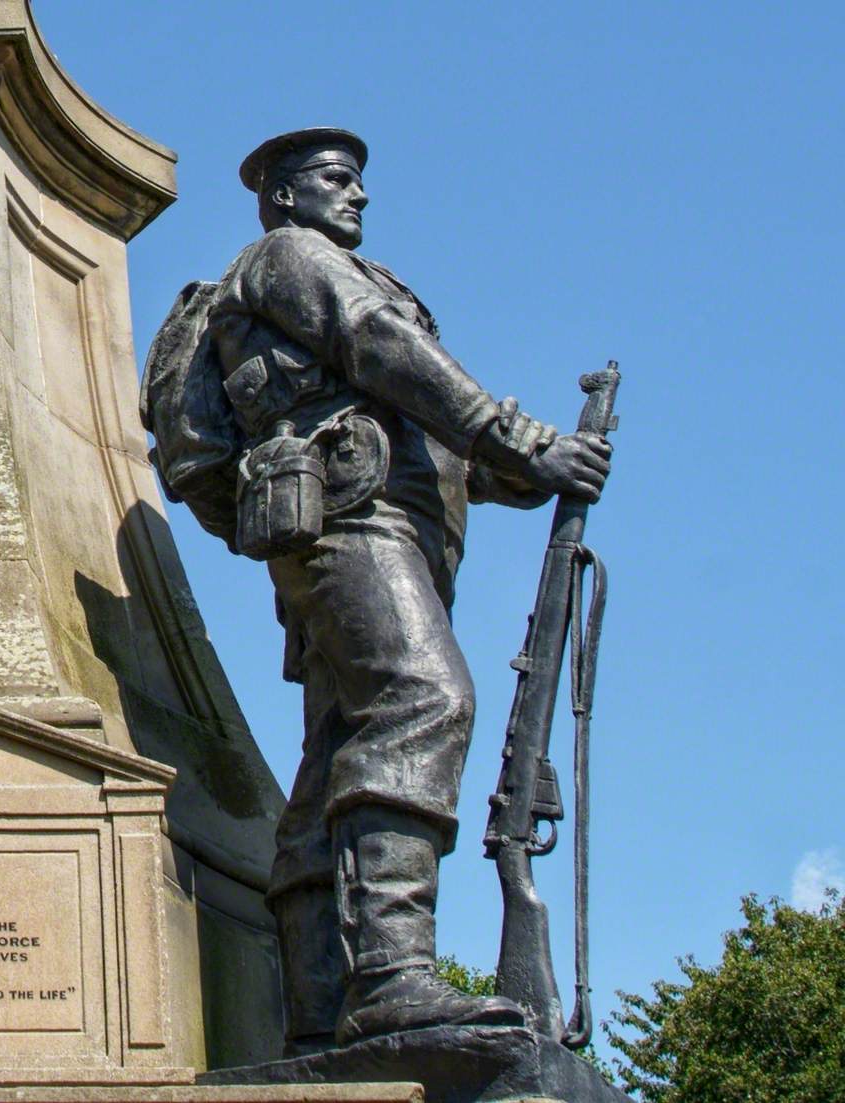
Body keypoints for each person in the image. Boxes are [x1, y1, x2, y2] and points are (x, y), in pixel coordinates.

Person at [204, 129, 611, 1053]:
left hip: (389, 533)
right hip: (353, 523)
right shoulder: (291, 258)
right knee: (424, 700)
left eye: (359, 183)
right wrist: (512, 433)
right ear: (282, 196)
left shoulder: (343, 267)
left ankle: (318, 1010)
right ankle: (390, 980)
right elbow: (380, 347)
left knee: (335, 760)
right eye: (337, 181)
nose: (359, 197)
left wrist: (531, 465)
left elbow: (417, 423)